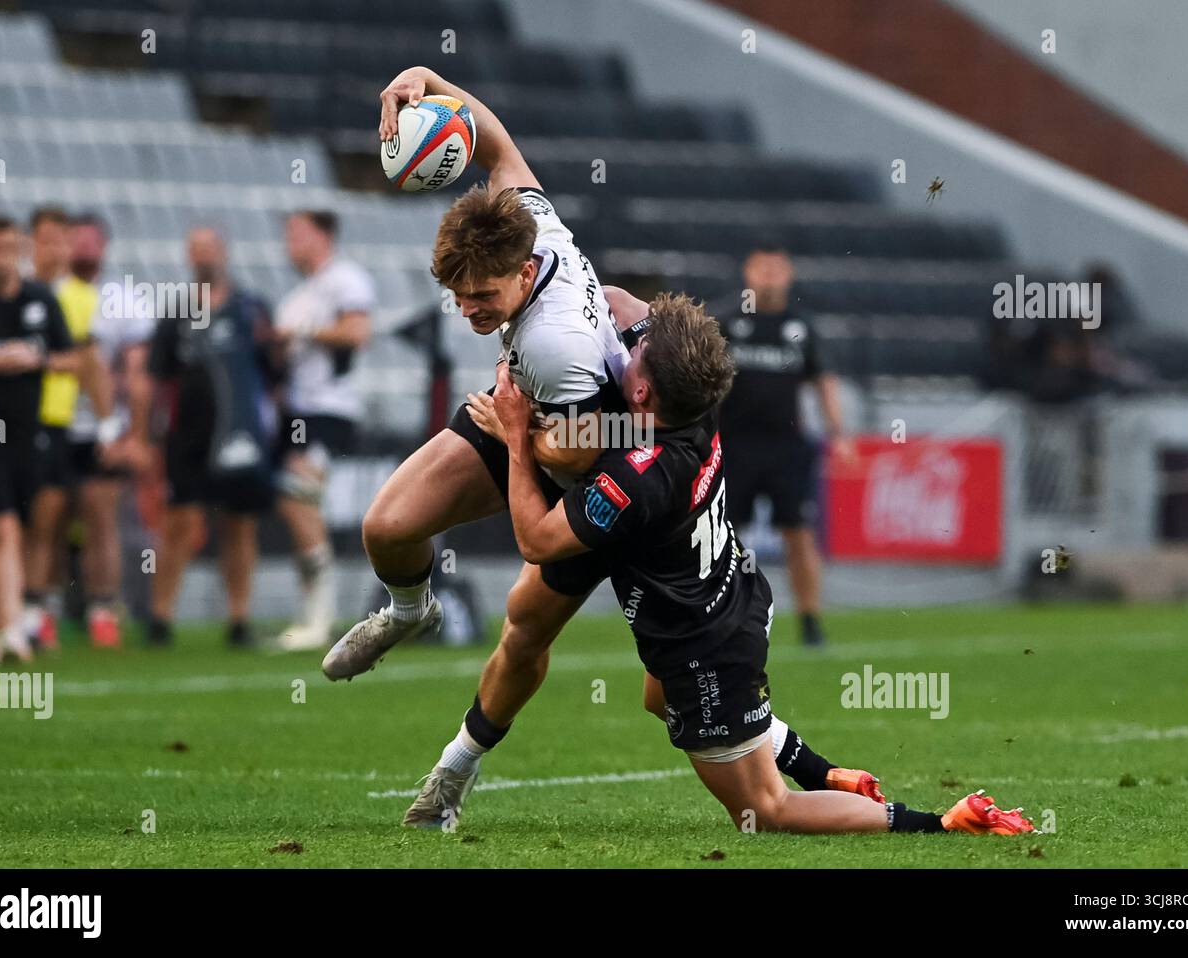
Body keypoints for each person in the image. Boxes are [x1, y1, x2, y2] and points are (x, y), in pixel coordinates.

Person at [328, 67, 873, 824]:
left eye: (483, 298)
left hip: (585, 452)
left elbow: (589, 447)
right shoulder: (530, 221)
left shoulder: (558, 349)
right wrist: (429, 83)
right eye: (458, 296)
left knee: (531, 631)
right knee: (387, 527)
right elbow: (498, 144)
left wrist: (519, 438)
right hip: (532, 408)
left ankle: (452, 776)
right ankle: (409, 609)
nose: (469, 310)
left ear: (523, 277)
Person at [482, 292, 1033, 837]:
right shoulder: (696, 401)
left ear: (643, 392)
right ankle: (826, 771)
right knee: (657, 696)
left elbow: (536, 540)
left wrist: (514, 436)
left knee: (768, 810)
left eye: (636, 355)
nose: (628, 353)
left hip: (705, 648)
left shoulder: (638, 473)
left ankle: (939, 823)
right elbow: (622, 305)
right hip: (733, 595)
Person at [0, 216, 82, 665]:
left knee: (4, 532)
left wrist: (36, 358)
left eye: (10, 245)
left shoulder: (41, 300)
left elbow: (71, 359)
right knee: (0, 527)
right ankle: (10, 627)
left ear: (21, 249)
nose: (3, 254)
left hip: (27, 435)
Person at [146, 227, 279, 648]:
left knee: (238, 524)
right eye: (196, 251)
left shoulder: (250, 309)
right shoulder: (178, 311)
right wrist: (148, 435)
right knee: (180, 522)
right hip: (187, 436)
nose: (203, 258)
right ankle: (161, 617)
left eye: (209, 250)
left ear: (224, 253)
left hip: (240, 435)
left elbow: (274, 374)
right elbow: (156, 378)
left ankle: (239, 618)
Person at [717, 244, 854, 647]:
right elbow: (702, 379)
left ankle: (810, 621)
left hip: (786, 447)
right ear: (748, 271)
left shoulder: (801, 327)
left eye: (778, 268)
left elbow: (823, 380)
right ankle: (724, 616)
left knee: (799, 533)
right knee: (725, 534)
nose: (770, 275)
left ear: (789, 273)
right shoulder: (726, 321)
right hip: (734, 446)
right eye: (762, 267)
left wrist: (838, 434)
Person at [270, 210, 376, 651]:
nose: (289, 241)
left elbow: (357, 332)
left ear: (323, 235)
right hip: (296, 413)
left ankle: (320, 616)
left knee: (298, 495)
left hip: (330, 410)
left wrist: (301, 332)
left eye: (297, 231)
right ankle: (314, 611)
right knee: (296, 503)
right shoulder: (295, 296)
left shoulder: (344, 280)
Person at [23, 206, 115, 651]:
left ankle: (94, 613)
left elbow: (90, 362)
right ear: (31, 245)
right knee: (34, 524)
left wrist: (108, 424)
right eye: (45, 240)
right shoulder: (16, 292)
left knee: (82, 518)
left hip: (63, 422)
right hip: (17, 422)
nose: (54, 249)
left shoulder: (80, 296)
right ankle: (30, 610)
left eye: (61, 240)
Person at [66, 213, 154, 647]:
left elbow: (138, 372)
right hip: (52, 421)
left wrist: (133, 435)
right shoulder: (49, 292)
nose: (83, 247)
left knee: (102, 517)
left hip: (103, 426)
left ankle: (103, 608)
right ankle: (36, 609)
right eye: (74, 238)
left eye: (90, 239)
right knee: (43, 517)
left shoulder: (122, 298)